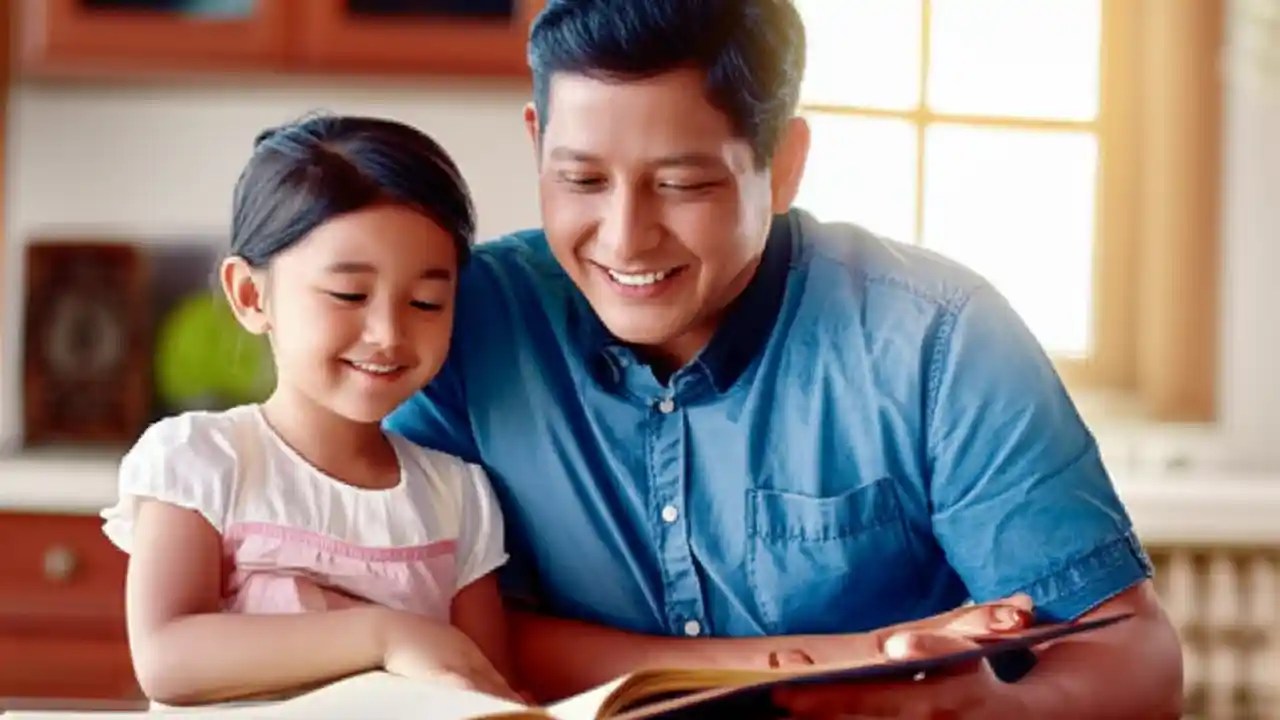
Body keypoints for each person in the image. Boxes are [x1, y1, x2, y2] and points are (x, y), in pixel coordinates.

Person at [385, 0, 1184, 717]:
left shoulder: (938, 339)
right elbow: (427, 627)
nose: (624, 238)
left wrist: (963, 713)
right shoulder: (463, 321)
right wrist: (845, 658)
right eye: (582, 178)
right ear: (537, 140)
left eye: (683, 185)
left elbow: (1137, 661)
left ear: (786, 164)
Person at [101, 115, 521, 706]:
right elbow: (168, 658)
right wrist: (385, 634)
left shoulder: (458, 497)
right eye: (350, 295)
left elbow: (490, 696)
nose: (388, 333)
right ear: (250, 296)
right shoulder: (201, 461)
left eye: (427, 301)